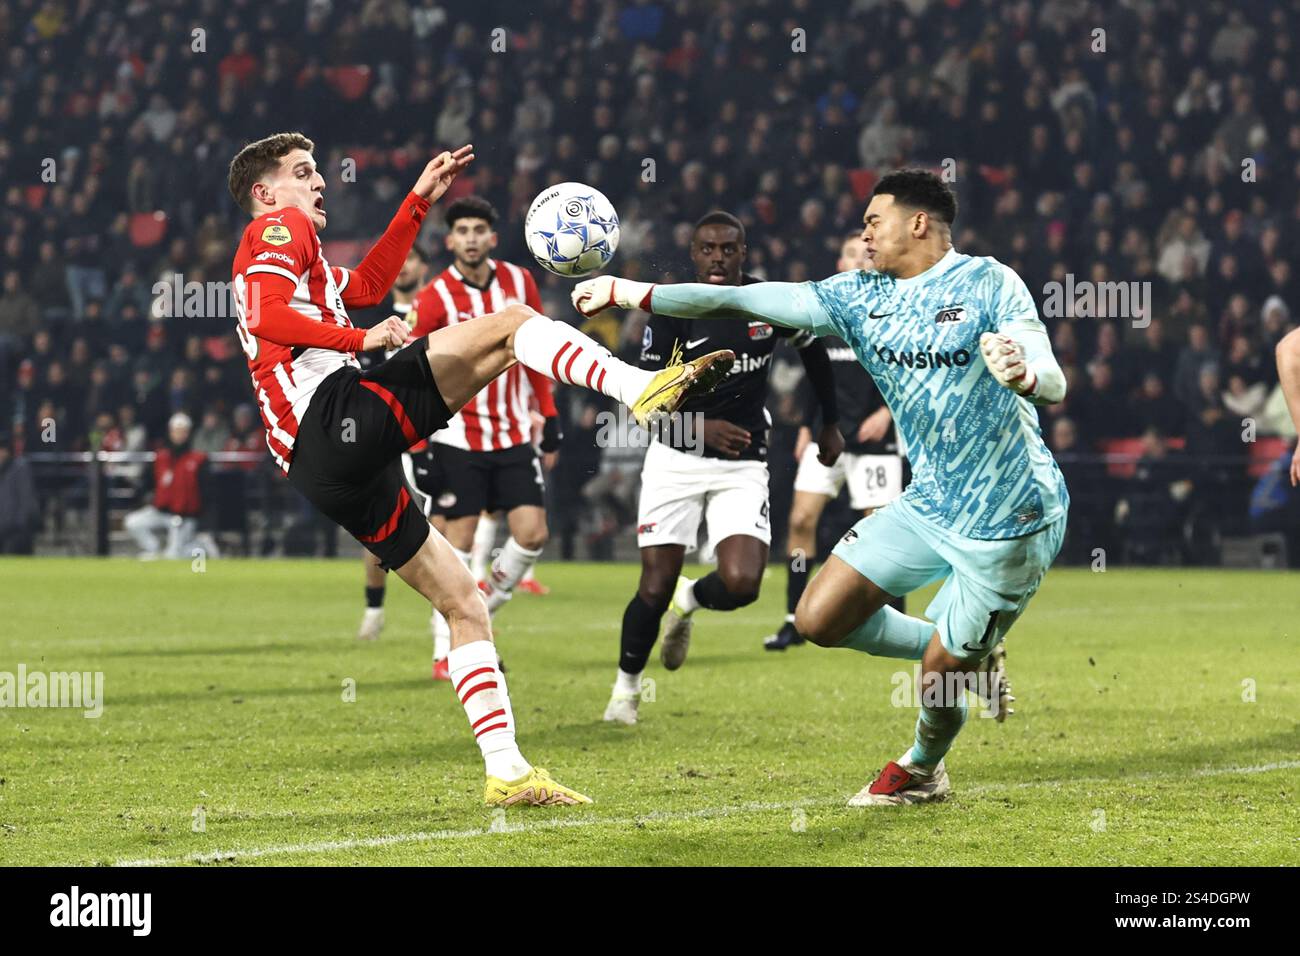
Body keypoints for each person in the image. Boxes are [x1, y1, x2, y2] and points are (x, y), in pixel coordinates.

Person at [227, 132, 732, 806]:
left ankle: (508, 772)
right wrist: (360, 338)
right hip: (330, 417)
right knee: (513, 323)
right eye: (303, 172)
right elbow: (267, 316)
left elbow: (369, 285)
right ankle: (638, 386)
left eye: (317, 171)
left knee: (465, 603)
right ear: (266, 194)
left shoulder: (299, 258)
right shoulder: (279, 229)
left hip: (319, 464)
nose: (319, 182)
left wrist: (416, 202)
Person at [574, 169, 1069, 805]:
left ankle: (923, 768)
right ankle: (966, 652)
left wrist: (1026, 375)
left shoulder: (989, 282)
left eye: (874, 221)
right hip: (930, 503)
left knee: (939, 679)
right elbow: (739, 301)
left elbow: (1051, 374)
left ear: (918, 223)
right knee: (818, 617)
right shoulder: (855, 296)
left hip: (1010, 517)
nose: (865, 233)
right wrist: (627, 291)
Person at [600, 211, 840, 725]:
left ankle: (690, 599)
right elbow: (645, 404)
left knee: (743, 584)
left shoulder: (765, 301)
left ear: (742, 253)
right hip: (676, 460)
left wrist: (830, 422)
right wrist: (700, 429)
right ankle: (625, 690)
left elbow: (815, 351)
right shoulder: (672, 310)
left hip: (742, 462)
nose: (717, 258)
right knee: (653, 588)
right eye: (707, 249)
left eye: (728, 249)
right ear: (694, 253)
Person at [407, 196, 563, 680]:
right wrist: (419, 445)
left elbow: (538, 350)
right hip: (457, 437)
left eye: (479, 230)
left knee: (532, 534)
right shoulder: (434, 297)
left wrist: (549, 412)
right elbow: (414, 373)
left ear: (492, 238)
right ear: (450, 240)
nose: (471, 238)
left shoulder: (520, 282)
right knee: (459, 542)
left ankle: (481, 611)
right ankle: (446, 651)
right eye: (462, 231)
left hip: (513, 433)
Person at [765, 233, 907, 652]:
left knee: (883, 531)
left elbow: (909, 373)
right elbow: (815, 375)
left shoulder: (892, 313)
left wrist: (888, 414)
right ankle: (793, 618)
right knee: (800, 521)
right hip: (827, 436)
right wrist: (805, 428)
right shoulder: (824, 314)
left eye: (866, 253)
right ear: (840, 264)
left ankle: (894, 617)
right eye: (851, 254)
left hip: (874, 440)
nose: (860, 259)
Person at [352, 245, 430, 642]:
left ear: (423, 266)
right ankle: (374, 610)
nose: (404, 266)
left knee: (445, 523)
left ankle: (447, 613)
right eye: (400, 259)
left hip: (431, 431)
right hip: (381, 432)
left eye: (411, 258)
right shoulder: (371, 315)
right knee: (377, 525)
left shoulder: (438, 309)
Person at [124, 412, 207, 559]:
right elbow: (148, 483)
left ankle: (200, 545)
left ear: (188, 433)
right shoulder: (161, 457)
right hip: (161, 512)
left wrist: (202, 519)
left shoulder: (198, 459)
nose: (179, 435)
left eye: (183, 431)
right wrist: (147, 499)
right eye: (176, 431)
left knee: (173, 556)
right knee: (132, 522)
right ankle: (153, 548)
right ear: (170, 432)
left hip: (184, 517)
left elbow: (206, 492)